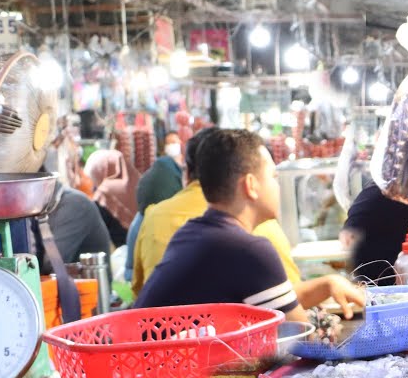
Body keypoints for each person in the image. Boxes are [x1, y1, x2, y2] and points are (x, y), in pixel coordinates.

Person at [135, 129, 363, 321]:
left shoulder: (193, 233)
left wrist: (327, 283)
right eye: (273, 177)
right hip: (163, 371)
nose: (277, 186)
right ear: (251, 185)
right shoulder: (247, 249)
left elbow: (274, 299)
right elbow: (303, 337)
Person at [136, 132, 185, 213]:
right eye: (168, 143)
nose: (171, 146)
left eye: (173, 142)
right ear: (165, 147)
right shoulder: (160, 165)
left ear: (180, 142)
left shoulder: (185, 165)